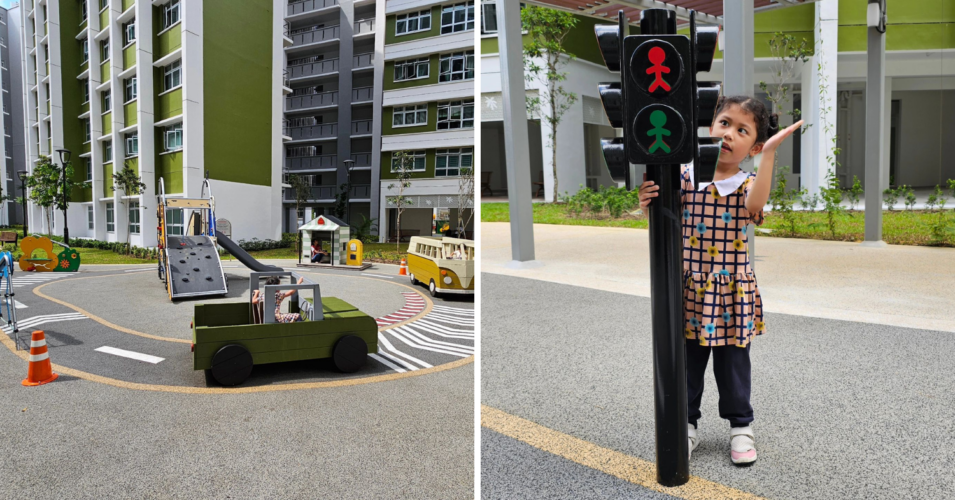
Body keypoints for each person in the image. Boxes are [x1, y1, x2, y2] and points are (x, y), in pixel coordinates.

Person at [638, 95, 803, 466]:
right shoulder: (683, 175)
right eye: (724, 123)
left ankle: (741, 427)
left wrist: (771, 157)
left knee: (733, 365)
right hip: (690, 290)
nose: (729, 134)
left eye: (742, 130)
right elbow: (661, 212)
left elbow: (756, 205)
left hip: (729, 292)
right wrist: (647, 199)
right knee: (687, 364)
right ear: (710, 127)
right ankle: (686, 423)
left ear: (754, 147)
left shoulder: (747, 184)